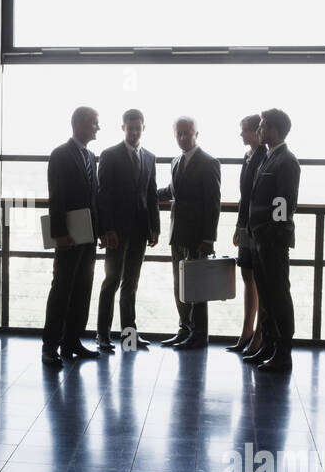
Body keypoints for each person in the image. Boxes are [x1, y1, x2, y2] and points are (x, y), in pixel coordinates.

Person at [41, 106, 111, 368]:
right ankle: (50, 346)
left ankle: (72, 341)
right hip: (69, 233)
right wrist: (59, 234)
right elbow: (56, 196)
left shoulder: (91, 156)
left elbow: (96, 199)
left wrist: (101, 231)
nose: (98, 127)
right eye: (95, 123)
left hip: (88, 233)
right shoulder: (61, 154)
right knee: (61, 289)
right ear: (80, 123)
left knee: (83, 288)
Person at [95, 109, 160, 352]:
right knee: (111, 281)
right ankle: (102, 335)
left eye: (138, 127)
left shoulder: (150, 157)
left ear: (144, 128)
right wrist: (107, 229)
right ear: (122, 128)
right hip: (116, 233)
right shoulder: (109, 155)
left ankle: (128, 336)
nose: (133, 131)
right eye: (129, 127)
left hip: (140, 231)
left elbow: (151, 195)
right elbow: (103, 196)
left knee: (131, 284)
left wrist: (155, 228)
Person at [156, 116, 221, 350]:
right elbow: (172, 191)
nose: (183, 137)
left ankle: (199, 334)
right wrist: (145, 193)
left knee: (197, 286)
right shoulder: (175, 162)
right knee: (179, 284)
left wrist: (208, 238)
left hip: (197, 237)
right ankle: (184, 328)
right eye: (179, 133)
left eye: (187, 132)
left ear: (196, 134)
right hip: (178, 234)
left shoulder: (209, 162)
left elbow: (214, 203)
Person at [245, 107, 301, 372]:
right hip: (260, 238)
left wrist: (270, 233)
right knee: (266, 295)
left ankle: (283, 353)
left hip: (272, 240)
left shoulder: (286, 161)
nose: (259, 130)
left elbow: (284, 203)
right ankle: (268, 345)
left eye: (263, 126)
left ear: (274, 130)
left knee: (278, 296)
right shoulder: (268, 157)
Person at [229, 114, 267, 355]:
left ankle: (259, 336)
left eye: (244, 130)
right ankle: (246, 331)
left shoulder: (264, 156)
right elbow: (244, 196)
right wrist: (238, 225)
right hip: (245, 225)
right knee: (246, 276)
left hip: (257, 226)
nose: (241, 134)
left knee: (260, 281)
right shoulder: (248, 156)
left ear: (256, 132)